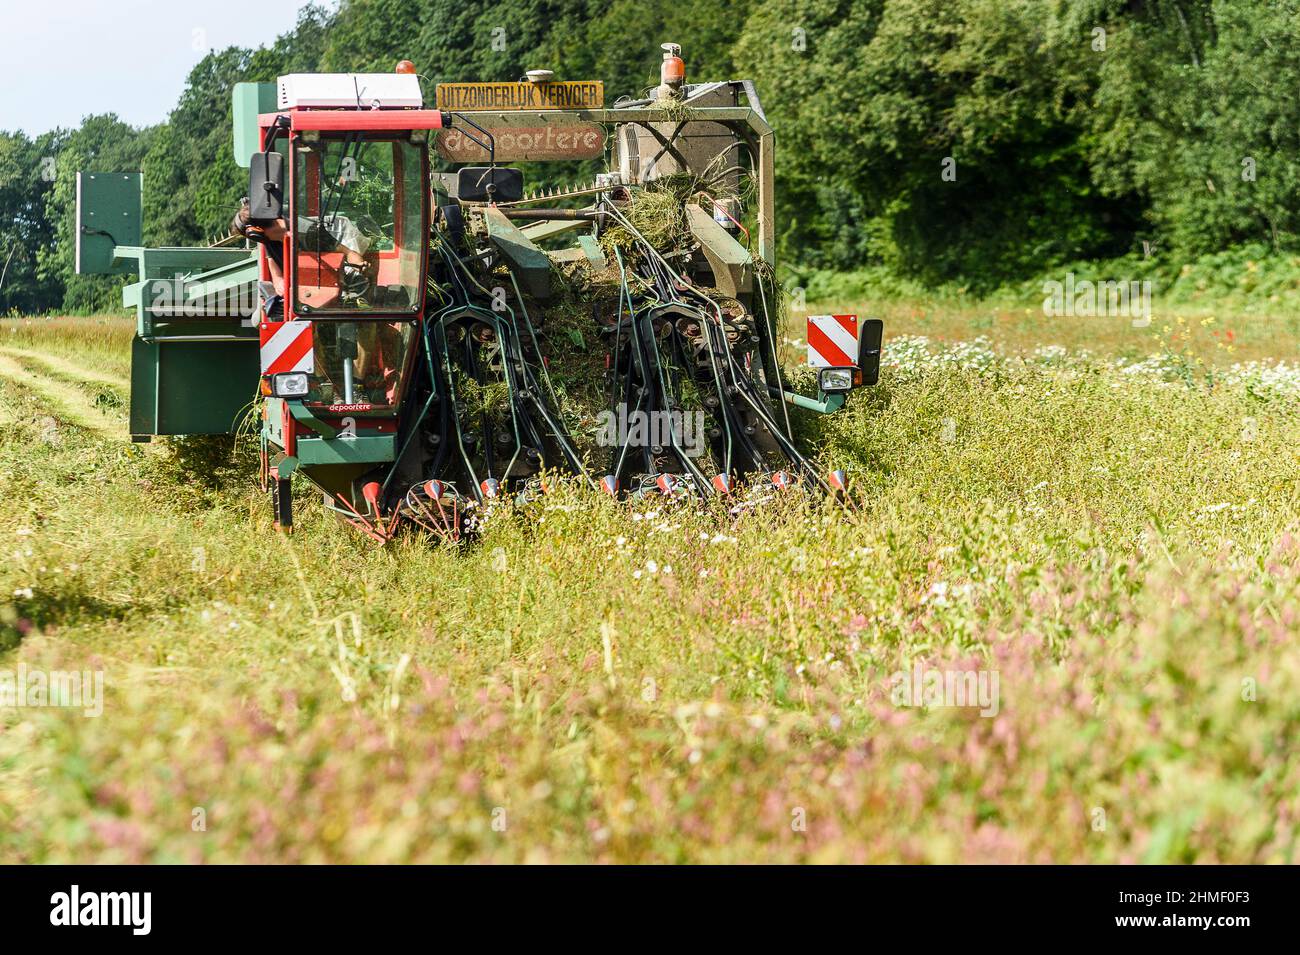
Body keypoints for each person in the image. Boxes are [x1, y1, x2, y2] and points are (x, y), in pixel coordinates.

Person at [230, 198, 373, 306]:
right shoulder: (267, 240)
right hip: (307, 291)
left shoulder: (308, 233)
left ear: (255, 232)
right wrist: (280, 282)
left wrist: (360, 264)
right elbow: (274, 268)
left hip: (330, 284)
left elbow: (346, 252)